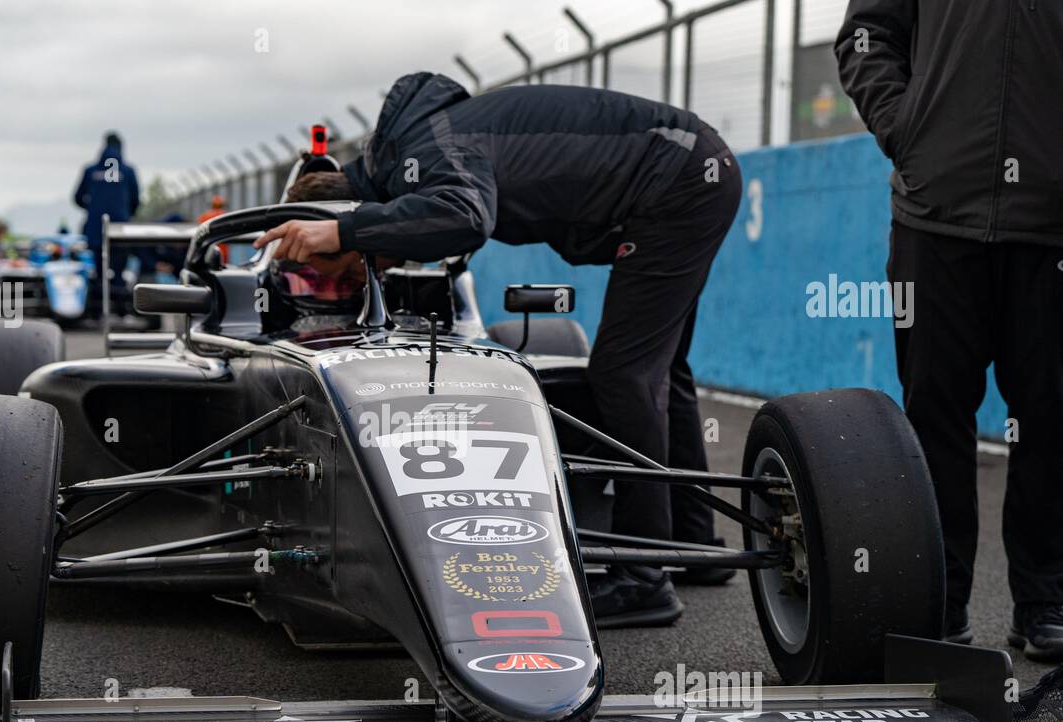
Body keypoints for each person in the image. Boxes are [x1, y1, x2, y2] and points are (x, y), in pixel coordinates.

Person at [254, 72, 742, 627]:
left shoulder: (428, 149)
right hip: (689, 170)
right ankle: (693, 543)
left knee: (624, 372)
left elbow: (465, 216)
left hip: (677, 180)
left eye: (343, 270)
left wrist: (347, 233)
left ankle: (643, 579)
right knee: (660, 367)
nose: (364, 276)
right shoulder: (422, 147)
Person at [837, 2, 1063, 660]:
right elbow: (866, 34)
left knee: (1050, 414)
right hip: (934, 214)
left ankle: (1047, 597)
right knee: (934, 411)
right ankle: (939, 597)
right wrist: (906, 128)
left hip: (1050, 223)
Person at [74, 131, 140, 316]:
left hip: (96, 228)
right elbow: (135, 199)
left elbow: (78, 197)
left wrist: (92, 208)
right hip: (120, 229)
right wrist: (125, 214)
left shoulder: (90, 170)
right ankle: (120, 309)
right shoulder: (127, 171)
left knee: (97, 269)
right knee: (118, 270)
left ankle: (95, 309)